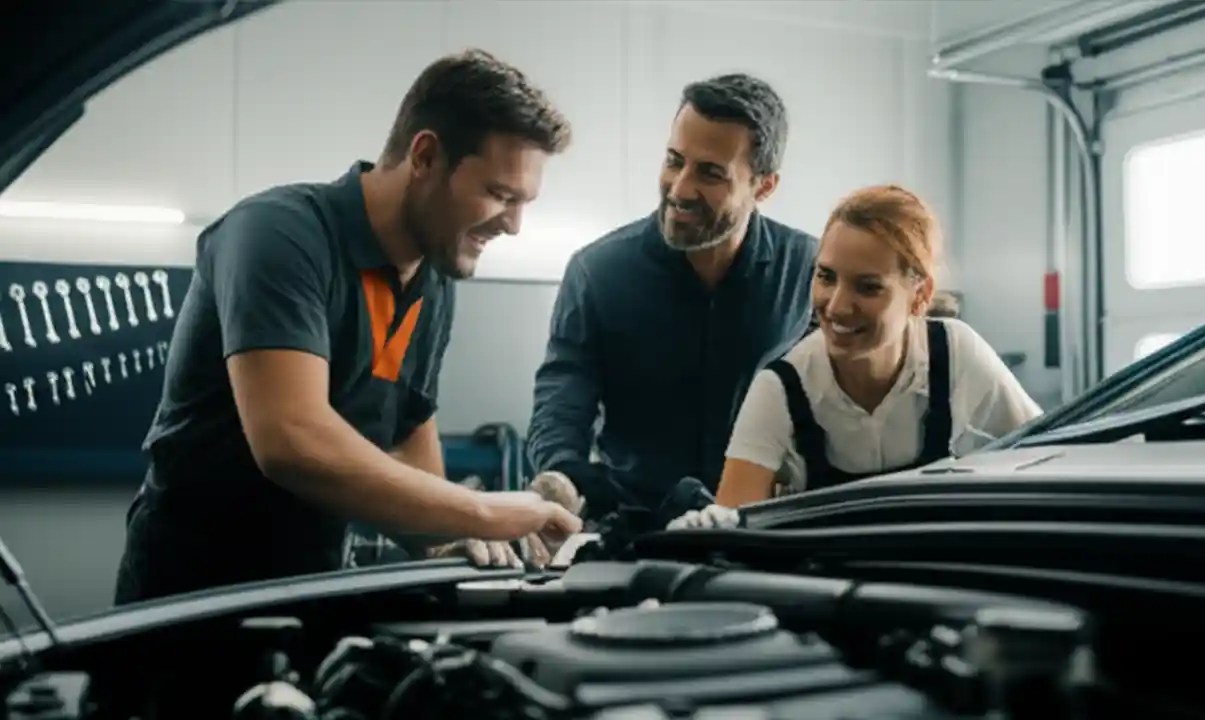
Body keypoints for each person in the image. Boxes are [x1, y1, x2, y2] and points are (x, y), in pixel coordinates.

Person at [114, 49, 582, 604]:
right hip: (191, 599)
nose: (514, 225)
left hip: (312, 585)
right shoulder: (277, 235)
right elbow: (293, 439)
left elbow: (409, 438)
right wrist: (485, 512)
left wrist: (445, 540)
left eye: (523, 202)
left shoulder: (431, 280)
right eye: (500, 195)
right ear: (427, 155)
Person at [526, 73, 819, 521]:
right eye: (674, 160)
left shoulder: (809, 271)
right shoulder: (597, 272)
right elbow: (564, 397)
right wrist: (560, 480)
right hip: (635, 527)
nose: (680, 189)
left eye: (710, 173)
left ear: (764, 186)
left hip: (762, 528)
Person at [671, 185, 1042, 526]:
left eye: (867, 287)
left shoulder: (956, 353)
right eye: (826, 277)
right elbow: (730, 531)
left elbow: (1050, 454)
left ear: (920, 294)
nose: (836, 306)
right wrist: (706, 525)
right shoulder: (781, 389)